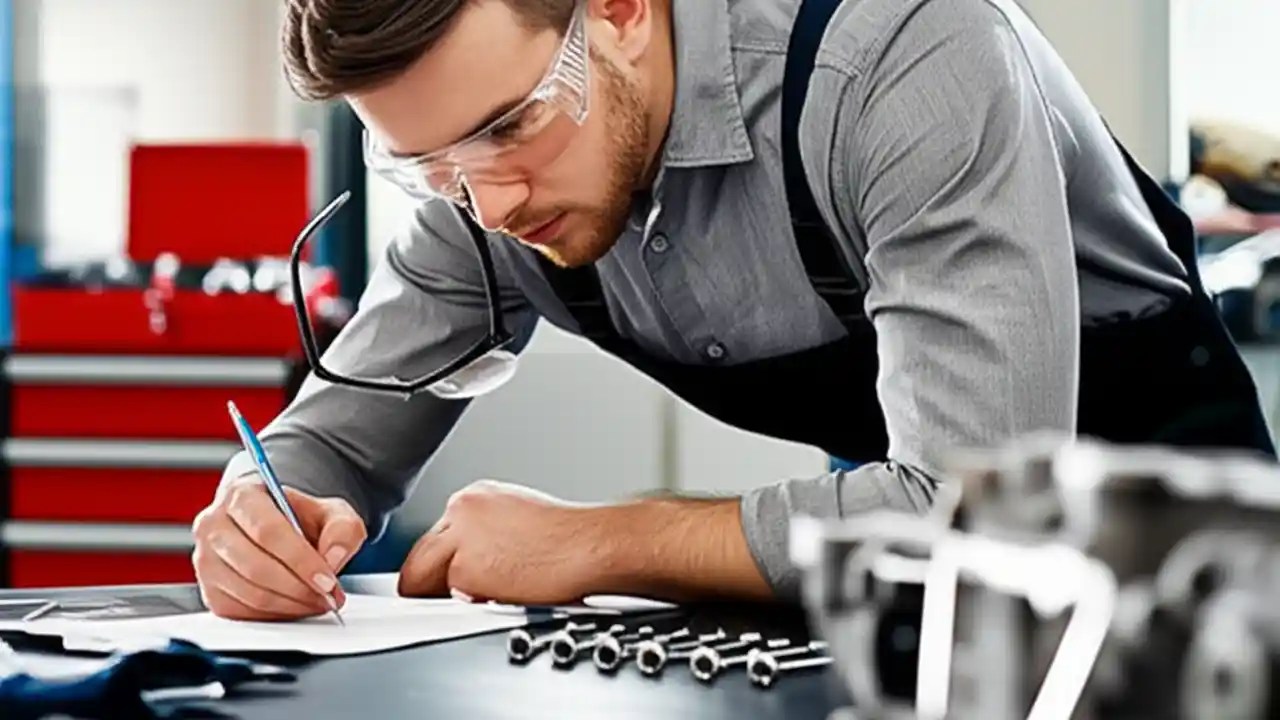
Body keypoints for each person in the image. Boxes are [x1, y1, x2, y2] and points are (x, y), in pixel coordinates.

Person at [191, 0, 1274, 621]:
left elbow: (974, 515)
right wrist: (261, 512)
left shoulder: (899, 60)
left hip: (1173, 554)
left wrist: (598, 541)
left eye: (512, 125)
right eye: (424, 163)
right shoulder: (477, 192)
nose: (489, 202)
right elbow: (325, 449)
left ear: (613, 10)